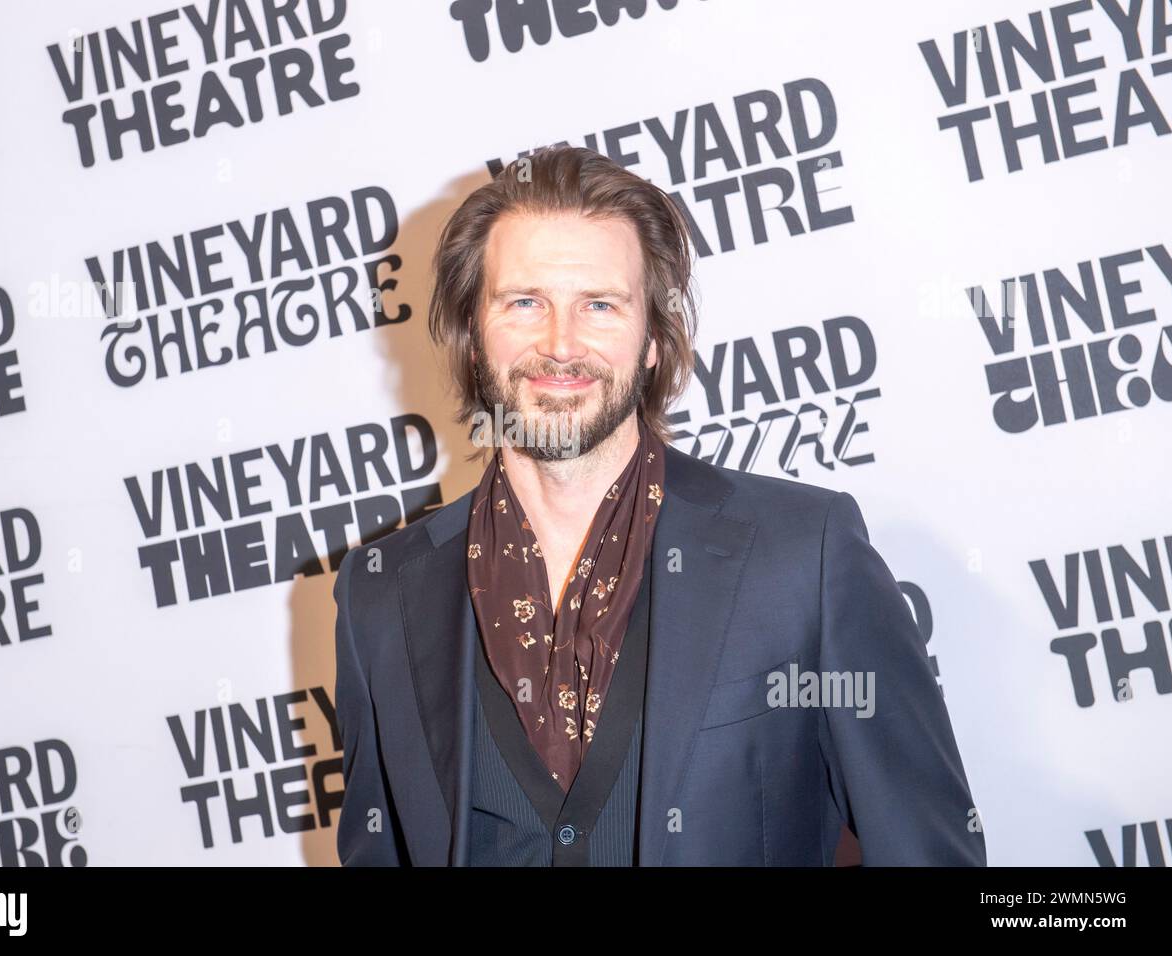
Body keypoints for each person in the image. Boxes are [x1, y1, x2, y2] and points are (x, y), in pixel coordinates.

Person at [332, 145, 986, 866]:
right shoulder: (381, 596)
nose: (560, 345)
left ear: (652, 338)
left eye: (600, 306)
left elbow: (929, 851)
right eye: (524, 303)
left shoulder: (805, 557)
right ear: (471, 332)